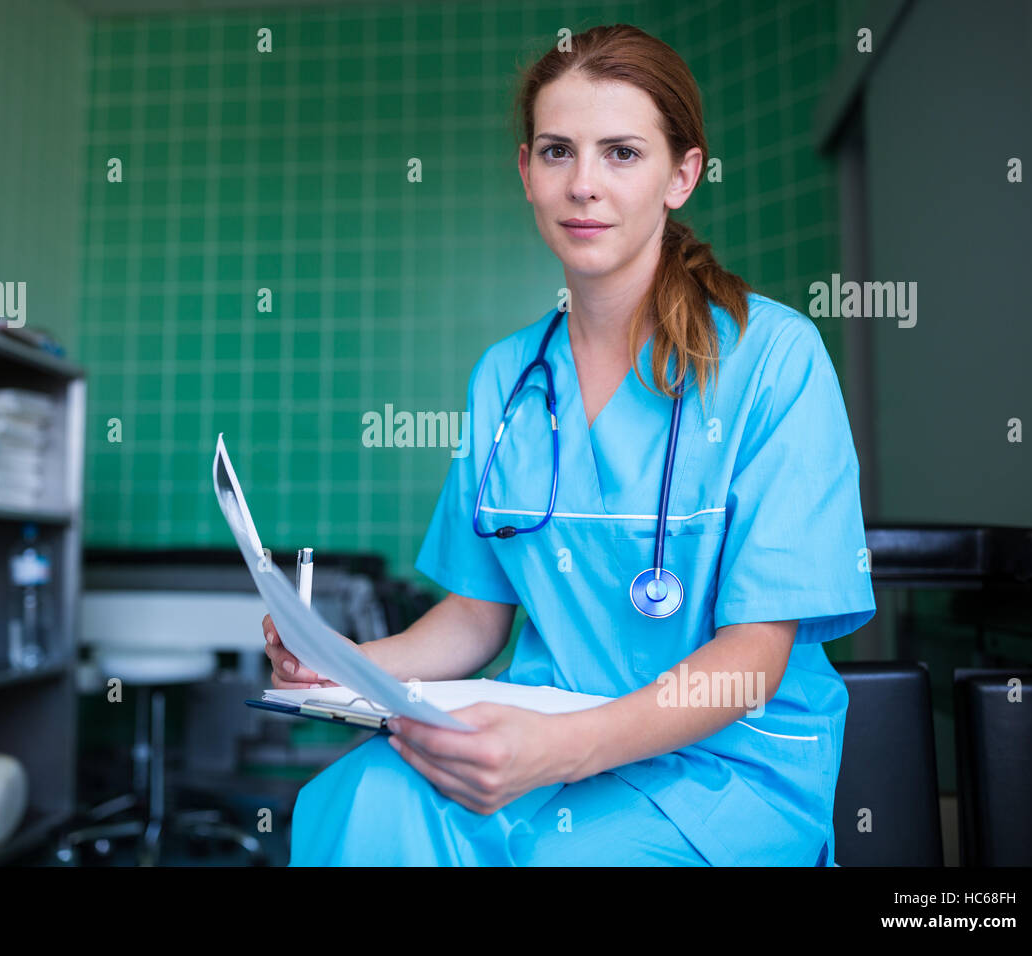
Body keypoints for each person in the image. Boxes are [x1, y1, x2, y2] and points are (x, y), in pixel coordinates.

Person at [263, 23, 875, 866]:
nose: (583, 185)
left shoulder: (775, 359)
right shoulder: (504, 378)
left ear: (681, 175)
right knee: (366, 800)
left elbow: (752, 659)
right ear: (526, 172)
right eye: (557, 152)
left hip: (723, 770)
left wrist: (563, 749)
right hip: (537, 741)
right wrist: (342, 665)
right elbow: (477, 618)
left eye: (622, 153)